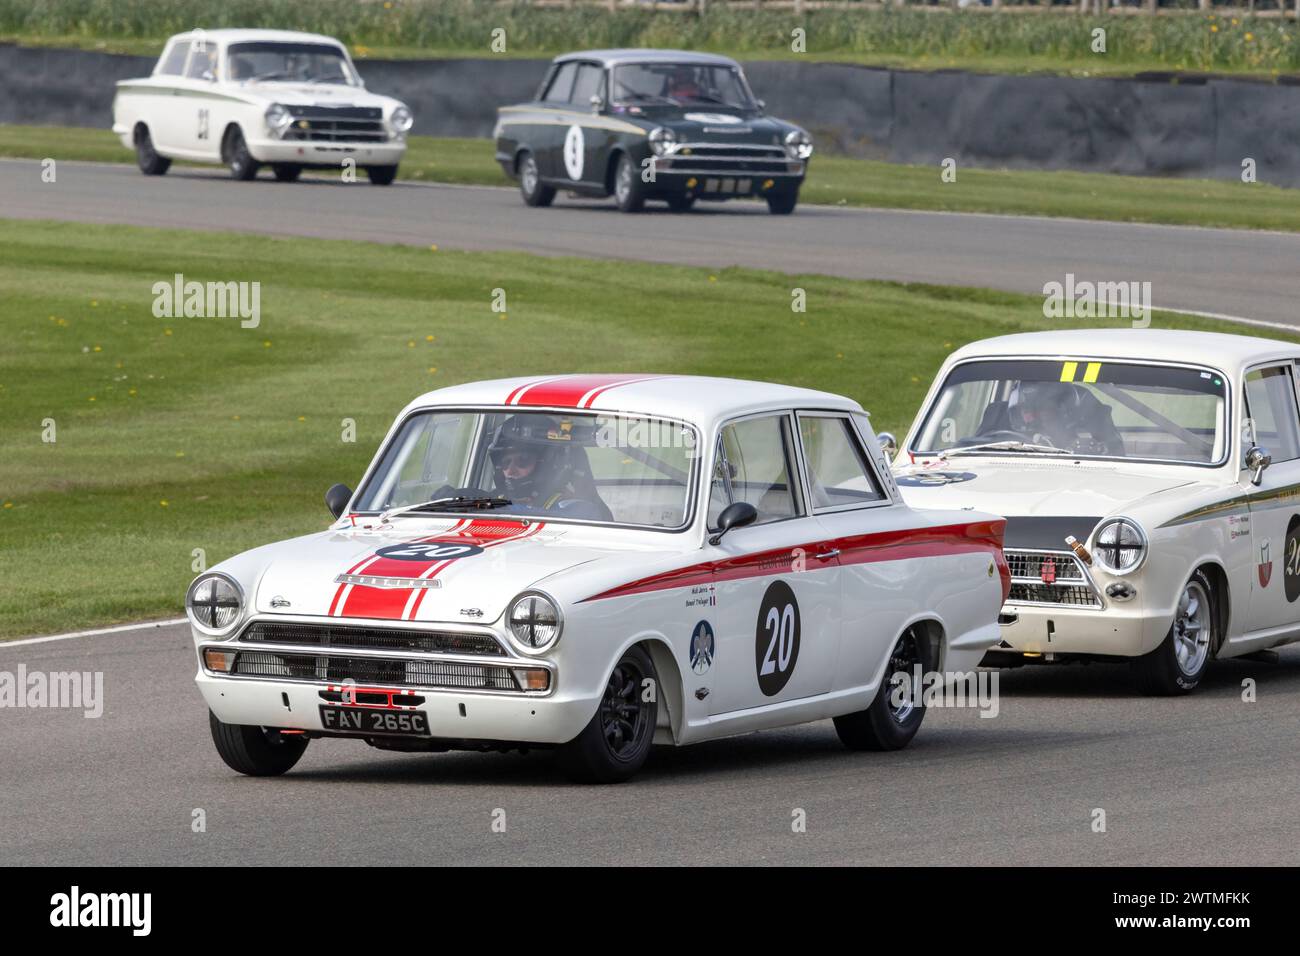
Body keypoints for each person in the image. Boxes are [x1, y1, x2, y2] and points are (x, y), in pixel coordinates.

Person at [487, 415, 613, 520]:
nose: (511, 471)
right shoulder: (488, 503)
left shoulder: (575, 511)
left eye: (523, 461)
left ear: (546, 463)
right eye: (505, 462)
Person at [1006, 381, 1125, 455]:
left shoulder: (1082, 454)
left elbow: (1116, 451)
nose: (1032, 417)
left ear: (1063, 411)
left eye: (1043, 409)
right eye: (1026, 410)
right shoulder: (1001, 445)